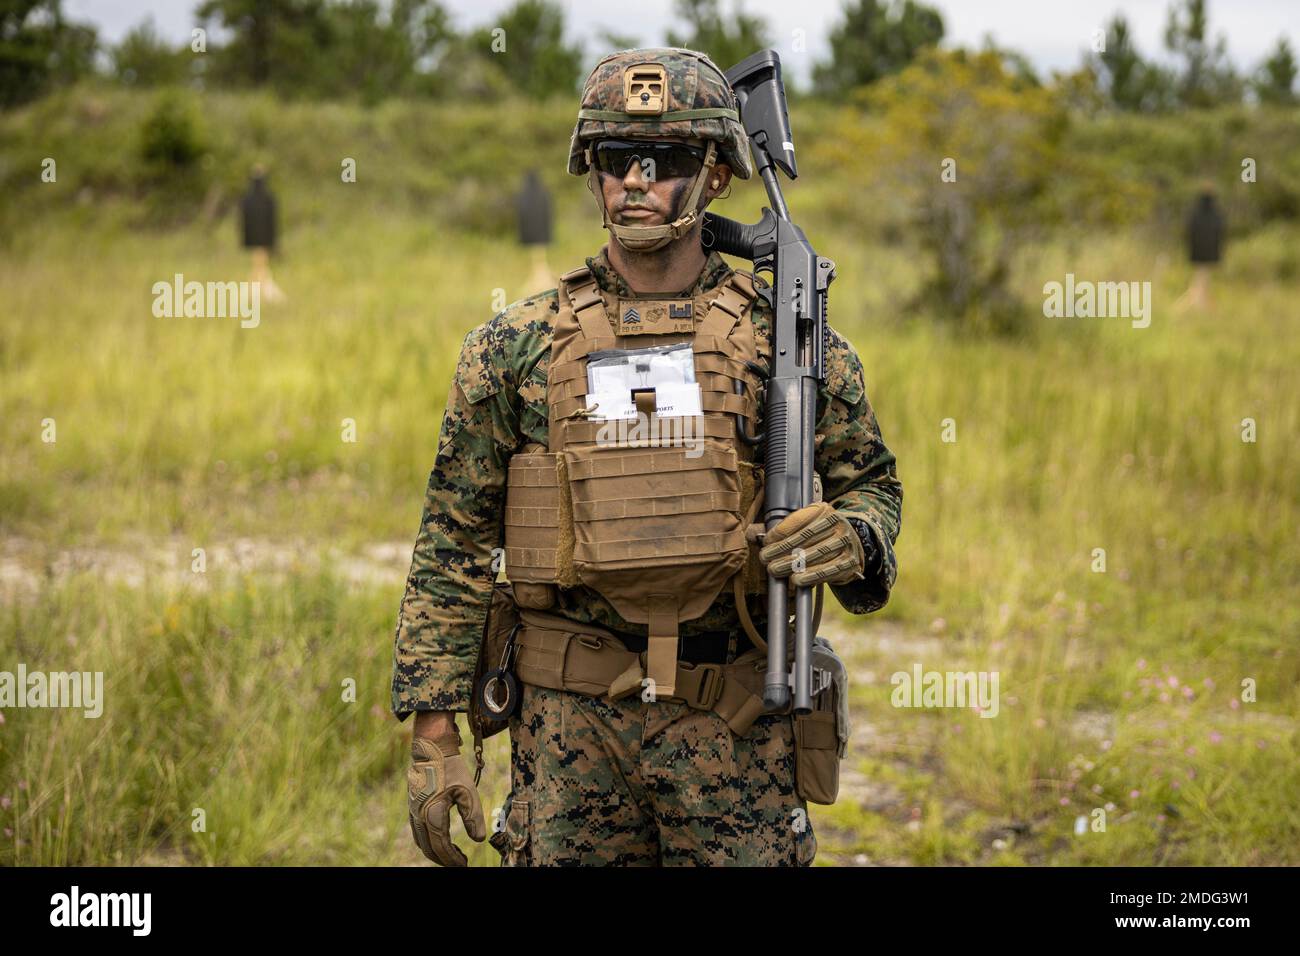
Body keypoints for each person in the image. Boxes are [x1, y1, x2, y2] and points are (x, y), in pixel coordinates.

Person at [392, 47, 903, 867]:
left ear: (716, 176)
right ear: (590, 175)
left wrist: (853, 537)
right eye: (613, 159)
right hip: (566, 739)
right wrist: (434, 733)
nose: (635, 179)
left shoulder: (789, 344)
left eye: (663, 160)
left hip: (733, 734)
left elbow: (872, 486)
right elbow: (451, 546)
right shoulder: (512, 347)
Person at [239, 164, 284, 302]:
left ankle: (260, 289)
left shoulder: (250, 199)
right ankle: (260, 289)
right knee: (259, 265)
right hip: (261, 239)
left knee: (260, 265)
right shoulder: (267, 199)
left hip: (259, 239)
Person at [1178, 183, 1225, 311]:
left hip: (1198, 252)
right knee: (1202, 276)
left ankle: (1199, 302)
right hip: (1209, 253)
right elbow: (1220, 233)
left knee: (1201, 276)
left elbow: (1188, 231)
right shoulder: (1216, 214)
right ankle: (1197, 302)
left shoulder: (1195, 213)